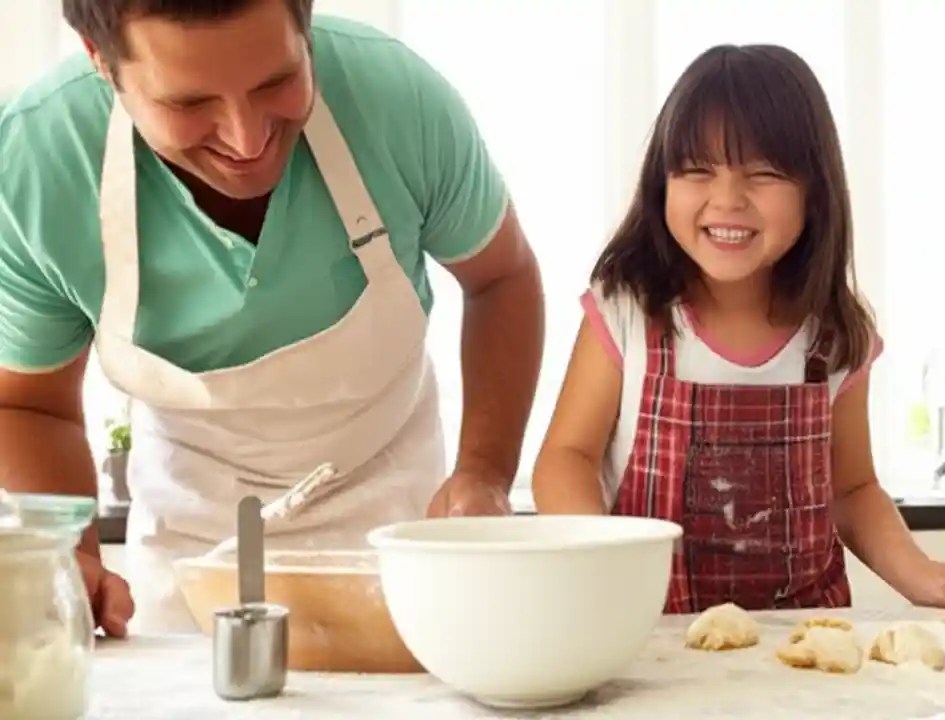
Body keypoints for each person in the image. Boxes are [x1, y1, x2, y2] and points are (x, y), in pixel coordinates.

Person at [0, 0, 544, 635]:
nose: (247, 139)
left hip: (400, 518)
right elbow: (30, 406)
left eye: (277, 83)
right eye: (188, 103)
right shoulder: (36, 163)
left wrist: (484, 470)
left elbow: (501, 278)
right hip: (189, 550)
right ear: (102, 63)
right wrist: (70, 563)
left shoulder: (396, 98)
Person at [531, 44, 945, 614]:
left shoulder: (838, 335)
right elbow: (566, 456)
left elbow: (852, 490)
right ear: (661, 184)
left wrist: (922, 576)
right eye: (697, 170)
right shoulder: (628, 312)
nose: (727, 200)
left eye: (763, 174)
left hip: (805, 640)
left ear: (814, 192)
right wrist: (599, 562)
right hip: (649, 632)